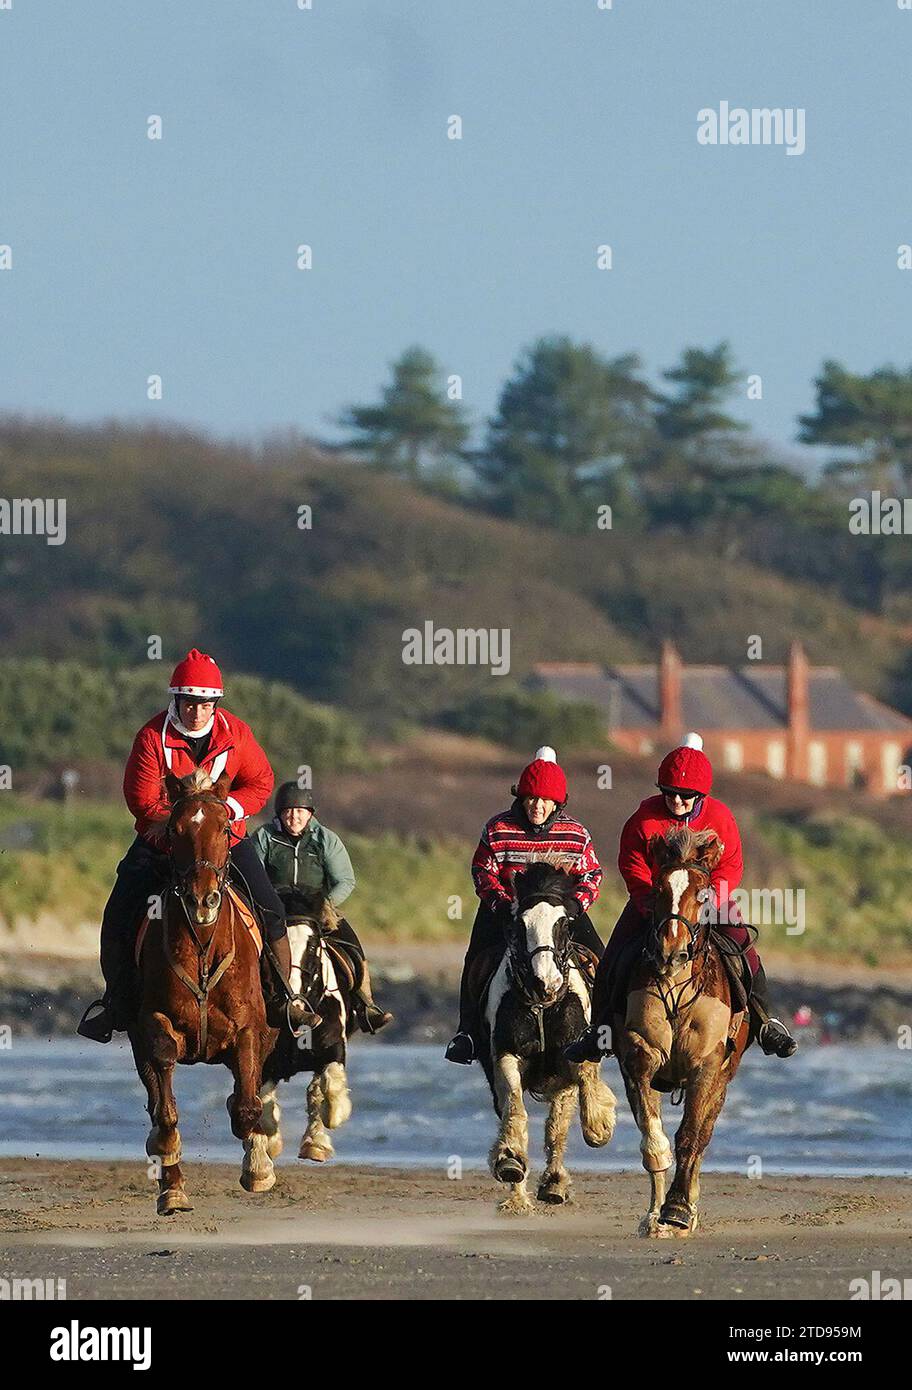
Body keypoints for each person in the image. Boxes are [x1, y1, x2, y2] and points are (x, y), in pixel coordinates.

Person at [77, 649, 311, 1043]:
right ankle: (115, 1003)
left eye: (205, 704)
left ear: (215, 704)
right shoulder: (152, 737)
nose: (197, 712)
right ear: (176, 701)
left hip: (224, 839)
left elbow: (261, 782)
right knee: (118, 913)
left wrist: (226, 813)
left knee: (270, 908)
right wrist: (184, 825)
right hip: (163, 839)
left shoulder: (237, 734)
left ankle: (282, 998)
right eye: (189, 703)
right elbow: (142, 800)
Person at [564, 733, 797, 1062]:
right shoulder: (644, 819)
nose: (676, 801)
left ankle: (764, 1023)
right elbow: (631, 863)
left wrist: (713, 898)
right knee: (613, 955)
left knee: (745, 949)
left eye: (686, 796)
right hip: (656, 899)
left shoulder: (720, 817)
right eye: (670, 793)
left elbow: (731, 865)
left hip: (708, 899)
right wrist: (648, 899)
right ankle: (598, 1032)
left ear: (701, 794)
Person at [445, 746, 605, 1065]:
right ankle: (467, 1034)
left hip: (561, 913)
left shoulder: (575, 834)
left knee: (600, 958)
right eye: (531, 798)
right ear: (520, 798)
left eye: (545, 800)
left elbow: (592, 873)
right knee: (475, 958)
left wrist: (576, 904)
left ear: (558, 803)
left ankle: (600, 1031)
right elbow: (482, 870)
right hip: (507, 910)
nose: (537, 806)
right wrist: (500, 903)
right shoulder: (497, 829)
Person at [252, 782, 393, 1033]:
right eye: (288, 811)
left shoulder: (326, 839)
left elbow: (345, 880)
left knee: (353, 948)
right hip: (275, 910)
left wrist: (327, 906)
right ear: (279, 813)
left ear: (310, 814)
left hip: (316, 909)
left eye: (300, 811)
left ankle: (366, 1006)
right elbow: (252, 877)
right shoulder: (264, 837)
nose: (293, 817)